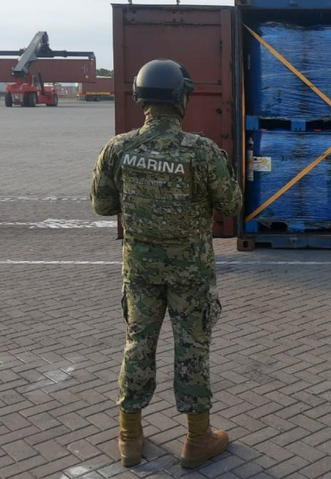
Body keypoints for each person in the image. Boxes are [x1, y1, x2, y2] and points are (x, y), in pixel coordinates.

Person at [90, 59, 242, 469]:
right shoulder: (201, 150)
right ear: (181, 98)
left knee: (139, 342)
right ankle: (196, 440)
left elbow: (103, 205)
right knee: (192, 348)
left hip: (140, 269)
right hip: (190, 272)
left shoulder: (118, 148)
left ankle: (130, 438)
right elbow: (231, 205)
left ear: (141, 99)